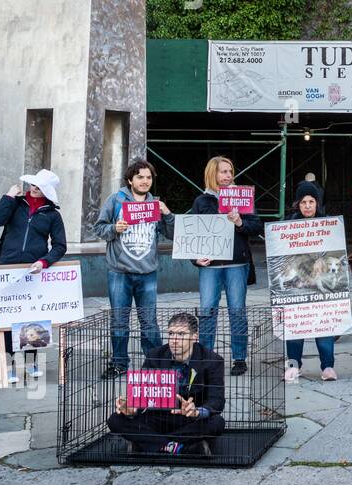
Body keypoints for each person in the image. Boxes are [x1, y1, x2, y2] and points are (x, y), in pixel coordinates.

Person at [94, 159, 175, 379]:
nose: (145, 181)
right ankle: (120, 363)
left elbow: (173, 234)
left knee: (149, 321)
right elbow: (99, 229)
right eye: (140, 177)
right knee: (119, 320)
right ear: (130, 179)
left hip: (147, 273)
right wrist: (114, 228)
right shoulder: (116, 200)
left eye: (149, 177)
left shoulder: (155, 205)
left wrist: (167, 214)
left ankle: (155, 365)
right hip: (119, 272)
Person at [0, 170, 67, 385]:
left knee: (32, 318)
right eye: (34, 184)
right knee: (8, 317)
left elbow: (60, 246)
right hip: (7, 267)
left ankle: (32, 361)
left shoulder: (52, 215)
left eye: (40, 187)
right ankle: (11, 363)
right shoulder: (15, 204)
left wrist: (44, 262)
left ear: (47, 191)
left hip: (33, 271)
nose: (34, 188)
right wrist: (8, 197)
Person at [107, 312, 226, 455]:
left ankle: (148, 443)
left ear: (195, 336)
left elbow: (217, 401)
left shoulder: (212, 360)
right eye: (171, 333)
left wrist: (196, 412)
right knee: (115, 420)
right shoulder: (155, 355)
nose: (174, 340)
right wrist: (133, 408)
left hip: (189, 420)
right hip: (158, 417)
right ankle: (179, 447)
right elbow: (143, 394)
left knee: (217, 423)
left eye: (181, 334)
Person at [189, 156, 262, 376]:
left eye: (230, 171)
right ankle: (205, 358)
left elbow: (256, 225)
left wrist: (240, 222)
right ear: (213, 174)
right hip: (210, 266)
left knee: (237, 312)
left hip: (236, 263)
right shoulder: (201, 201)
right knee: (207, 312)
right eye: (223, 172)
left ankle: (239, 358)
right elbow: (191, 233)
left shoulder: (243, 198)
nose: (228, 175)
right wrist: (195, 259)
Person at [283, 181, 338, 382]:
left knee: (324, 325)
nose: (307, 205)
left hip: (319, 283)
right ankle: (293, 365)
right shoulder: (287, 225)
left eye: (311, 201)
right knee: (295, 325)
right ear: (298, 204)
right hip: (298, 282)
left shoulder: (328, 224)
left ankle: (328, 366)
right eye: (304, 202)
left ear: (317, 203)